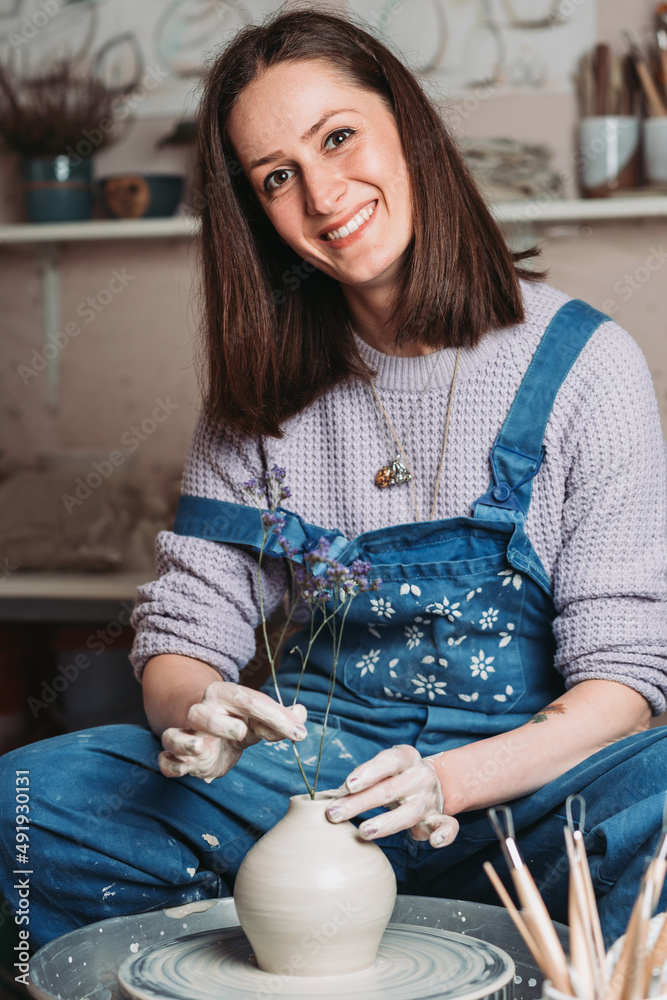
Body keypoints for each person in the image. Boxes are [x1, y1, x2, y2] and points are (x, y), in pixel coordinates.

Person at [1, 9, 666, 954]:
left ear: (409, 127)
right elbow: (187, 629)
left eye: (339, 137)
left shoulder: (587, 366)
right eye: (277, 177)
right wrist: (195, 712)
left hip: (535, 782)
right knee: (27, 800)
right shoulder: (257, 395)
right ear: (256, 209)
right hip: (316, 785)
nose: (322, 196)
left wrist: (450, 781)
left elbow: (623, 680)